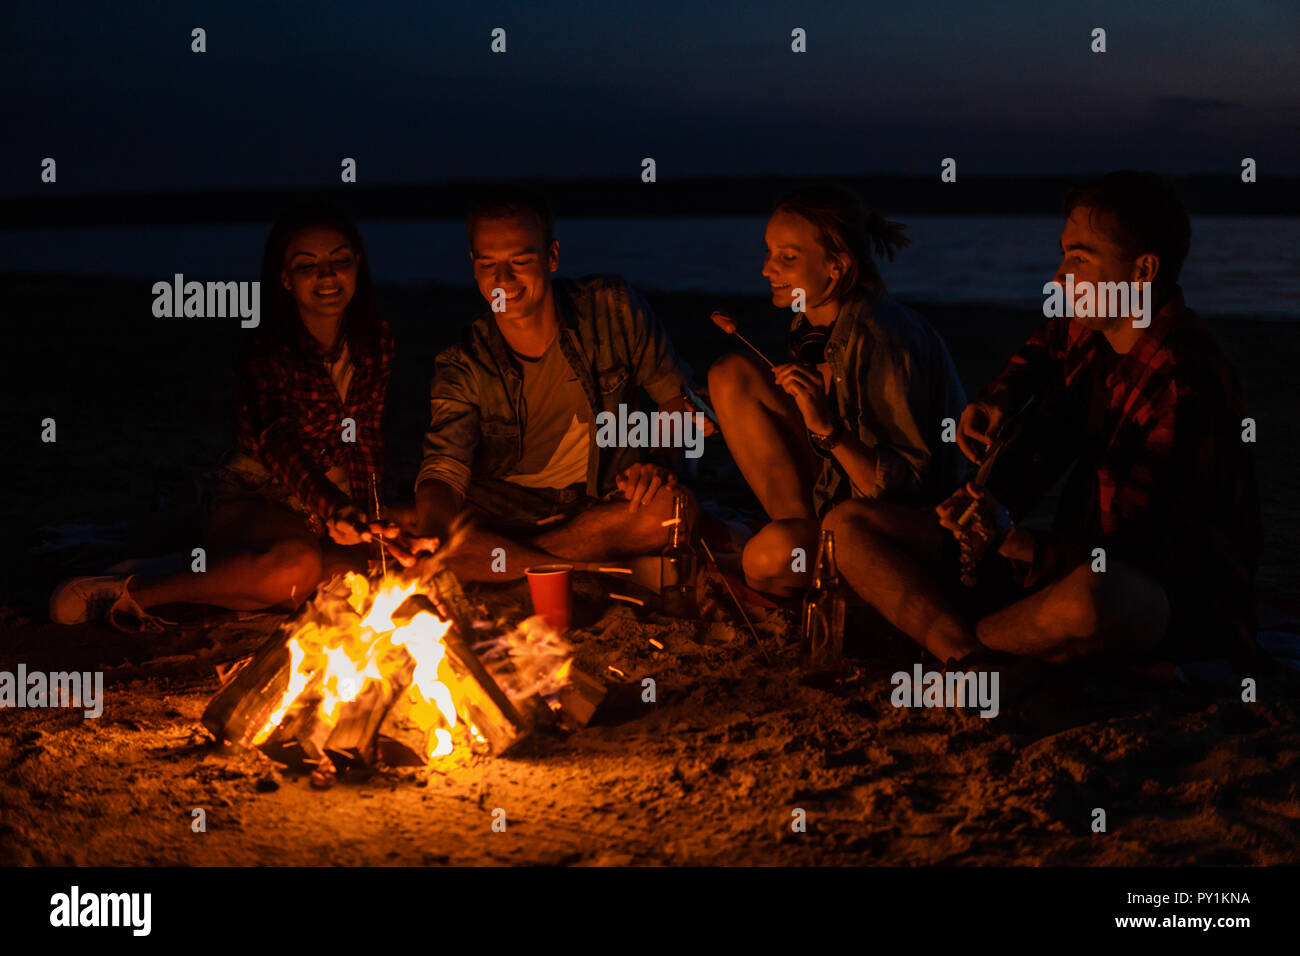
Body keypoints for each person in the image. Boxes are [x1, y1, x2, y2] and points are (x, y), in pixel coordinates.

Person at [825, 171, 1261, 665]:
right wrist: (998, 402)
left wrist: (1014, 541)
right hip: (1050, 570)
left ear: (1142, 271)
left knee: (1095, 595)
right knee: (846, 523)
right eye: (1063, 254)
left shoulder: (1185, 385)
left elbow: (1140, 553)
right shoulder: (1092, 328)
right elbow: (1043, 350)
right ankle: (967, 651)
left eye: (1079, 257)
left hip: (1165, 601)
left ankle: (958, 645)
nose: (1058, 276)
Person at [50, 203, 393, 629]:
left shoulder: (374, 340)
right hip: (254, 494)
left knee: (358, 584)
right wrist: (334, 507)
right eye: (308, 266)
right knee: (297, 569)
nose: (327, 275)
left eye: (340, 261)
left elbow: (367, 437)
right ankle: (129, 594)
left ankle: (213, 570)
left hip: (325, 508)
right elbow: (277, 441)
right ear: (284, 279)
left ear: (357, 266)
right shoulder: (267, 352)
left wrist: (368, 513)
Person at [388, 185, 700, 582]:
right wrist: (435, 532)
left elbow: (677, 400)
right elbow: (444, 467)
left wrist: (656, 464)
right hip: (505, 508)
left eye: (519, 260)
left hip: (601, 499)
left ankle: (507, 564)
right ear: (473, 264)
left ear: (551, 257)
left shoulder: (612, 308)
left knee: (672, 511)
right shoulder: (462, 361)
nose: (503, 279)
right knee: (399, 523)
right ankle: (580, 565)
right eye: (488, 264)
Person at [706, 184, 967, 596]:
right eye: (769, 252)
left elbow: (909, 486)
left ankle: (812, 560)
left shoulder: (882, 338)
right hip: (835, 505)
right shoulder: (809, 327)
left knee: (766, 558)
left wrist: (829, 430)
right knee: (731, 373)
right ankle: (799, 535)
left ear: (837, 267)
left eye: (787, 258)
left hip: (902, 530)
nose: (766, 269)